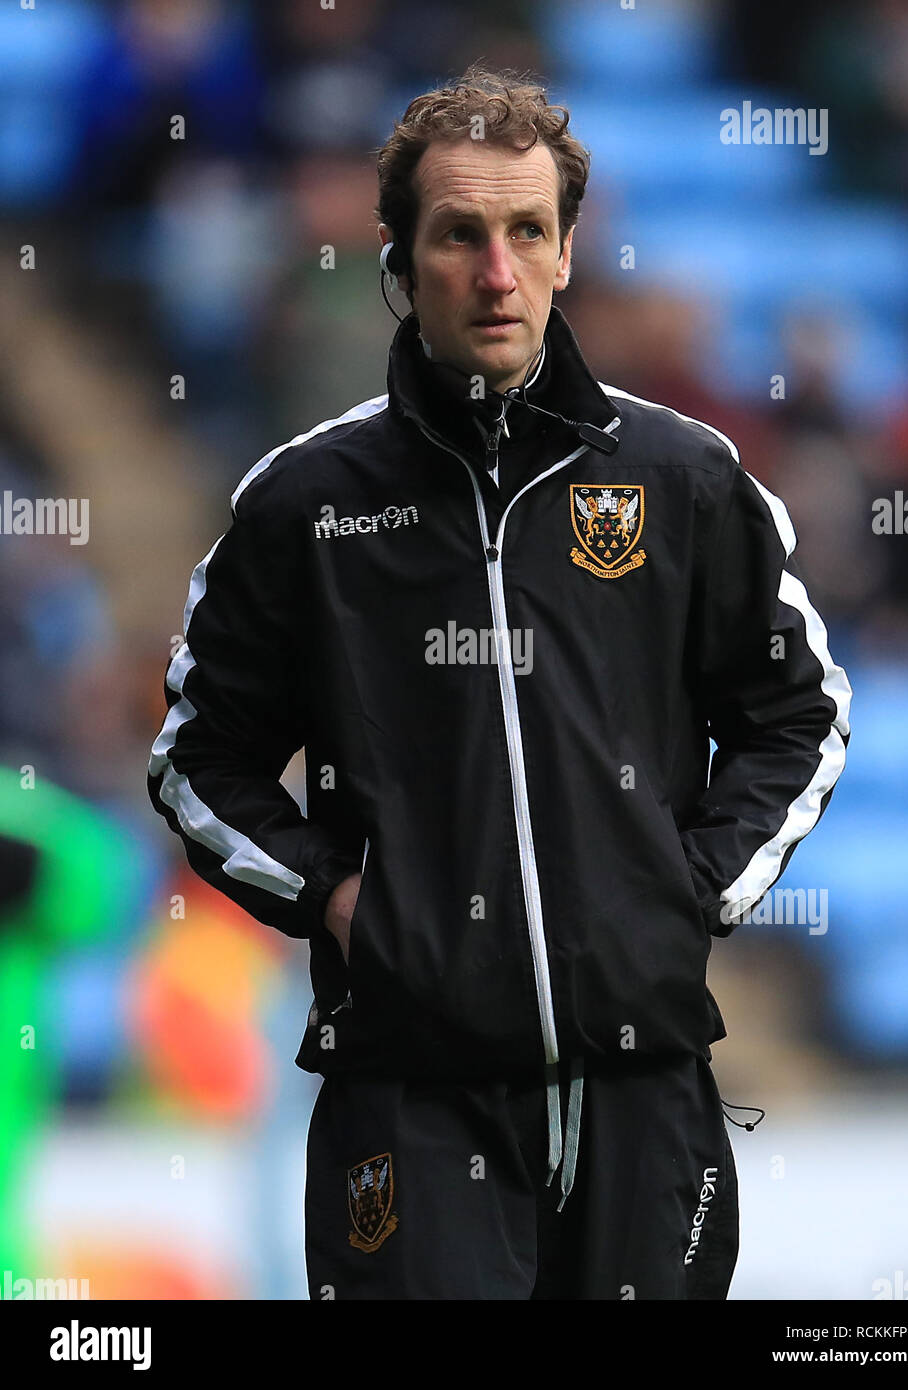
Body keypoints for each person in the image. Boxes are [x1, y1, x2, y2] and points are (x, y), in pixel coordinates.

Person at [147, 65, 852, 1300]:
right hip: (410, 1098)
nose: (495, 271)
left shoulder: (683, 479)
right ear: (399, 257)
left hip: (647, 1088)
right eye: (459, 234)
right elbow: (194, 757)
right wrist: (337, 900)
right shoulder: (306, 507)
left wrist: (684, 891)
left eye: (528, 231)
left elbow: (802, 712)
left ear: (569, 250)